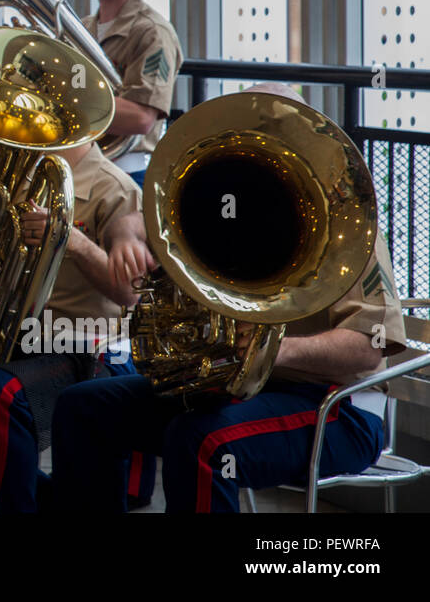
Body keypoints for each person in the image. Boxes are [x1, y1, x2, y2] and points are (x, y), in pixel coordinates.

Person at [51, 83, 407, 513]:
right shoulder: (227, 203)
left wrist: (268, 350)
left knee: (204, 442)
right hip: (231, 390)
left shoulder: (348, 230)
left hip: (334, 405)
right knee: (82, 408)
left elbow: (369, 350)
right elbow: (140, 217)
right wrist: (126, 235)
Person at [0, 138, 145, 512]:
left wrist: (70, 240)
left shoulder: (114, 187)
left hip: (87, 348)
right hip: (19, 343)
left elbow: (128, 291)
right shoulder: (19, 174)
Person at [78, 0, 182, 185]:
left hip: (126, 175)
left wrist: (66, 101)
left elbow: (141, 117)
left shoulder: (152, 32)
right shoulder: (81, 28)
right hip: (80, 169)